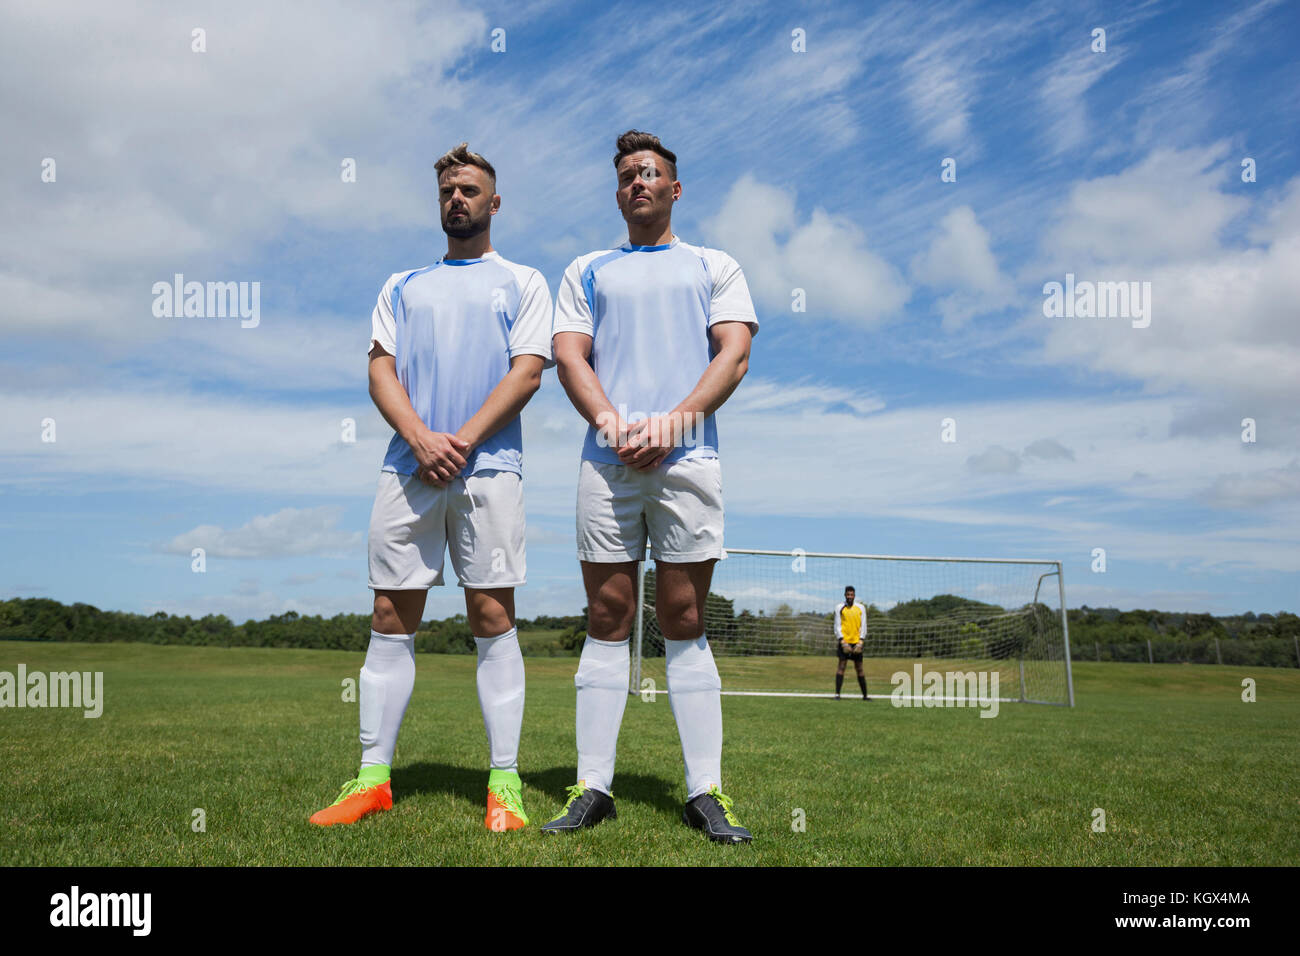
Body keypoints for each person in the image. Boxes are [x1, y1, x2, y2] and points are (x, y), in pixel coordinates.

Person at [309, 143, 552, 832]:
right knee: (390, 617)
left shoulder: (524, 281)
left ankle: (503, 787)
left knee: (492, 618)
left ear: (493, 202)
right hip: (407, 468)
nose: (457, 199)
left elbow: (528, 372)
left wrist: (462, 440)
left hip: (490, 471)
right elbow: (379, 370)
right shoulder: (402, 284)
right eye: (448, 190)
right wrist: (420, 437)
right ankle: (373, 780)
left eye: (470, 190)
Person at [544, 130, 758, 844]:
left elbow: (735, 353)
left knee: (684, 618)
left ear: (674, 188)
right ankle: (593, 787)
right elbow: (569, 355)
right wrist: (611, 423)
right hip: (607, 464)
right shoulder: (587, 268)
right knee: (607, 616)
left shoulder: (715, 264)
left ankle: (705, 793)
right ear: (617, 194)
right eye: (629, 175)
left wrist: (674, 424)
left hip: (688, 461)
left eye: (651, 173)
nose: (640, 182)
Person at [833, 585, 869, 699]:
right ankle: (837, 694)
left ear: (854, 596)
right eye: (848, 594)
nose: (850, 596)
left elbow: (863, 625)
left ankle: (865, 696)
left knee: (859, 669)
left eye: (852, 595)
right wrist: (842, 642)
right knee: (841, 667)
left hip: (857, 643)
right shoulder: (839, 607)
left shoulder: (861, 608)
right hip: (844, 642)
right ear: (845, 595)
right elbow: (837, 626)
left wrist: (861, 641)